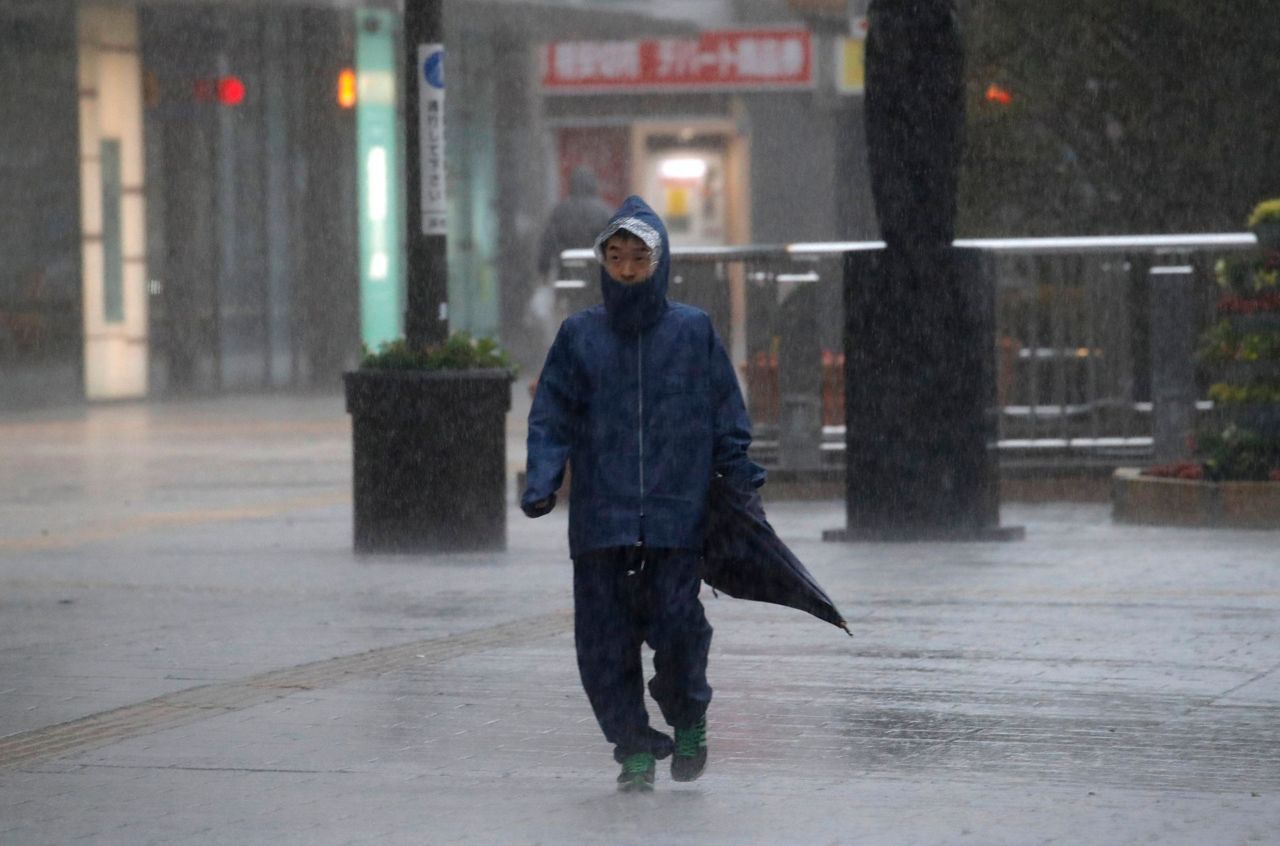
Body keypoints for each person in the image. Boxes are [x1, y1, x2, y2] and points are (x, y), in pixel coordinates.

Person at [521, 195, 765, 792]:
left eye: (639, 257)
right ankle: (632, 748)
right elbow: (551, 413)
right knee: (602, 645)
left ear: (660, 262)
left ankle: (687, 715)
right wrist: (542, 477)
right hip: (600, 521)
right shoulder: (579, 336)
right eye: (616, 257)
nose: (627, 268)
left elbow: (726, 416)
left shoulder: (692, 331)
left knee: (679, 628)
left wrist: (739, 481)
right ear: (602, 262)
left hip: (675, 518)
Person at [526, 167, 615, 357]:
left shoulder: (560, 212)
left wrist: (543, 271)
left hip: (568, 278)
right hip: (597, 280)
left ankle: (575, 354)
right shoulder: (605, 212)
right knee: (598, 318)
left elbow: (547, 243)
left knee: (571, 316)